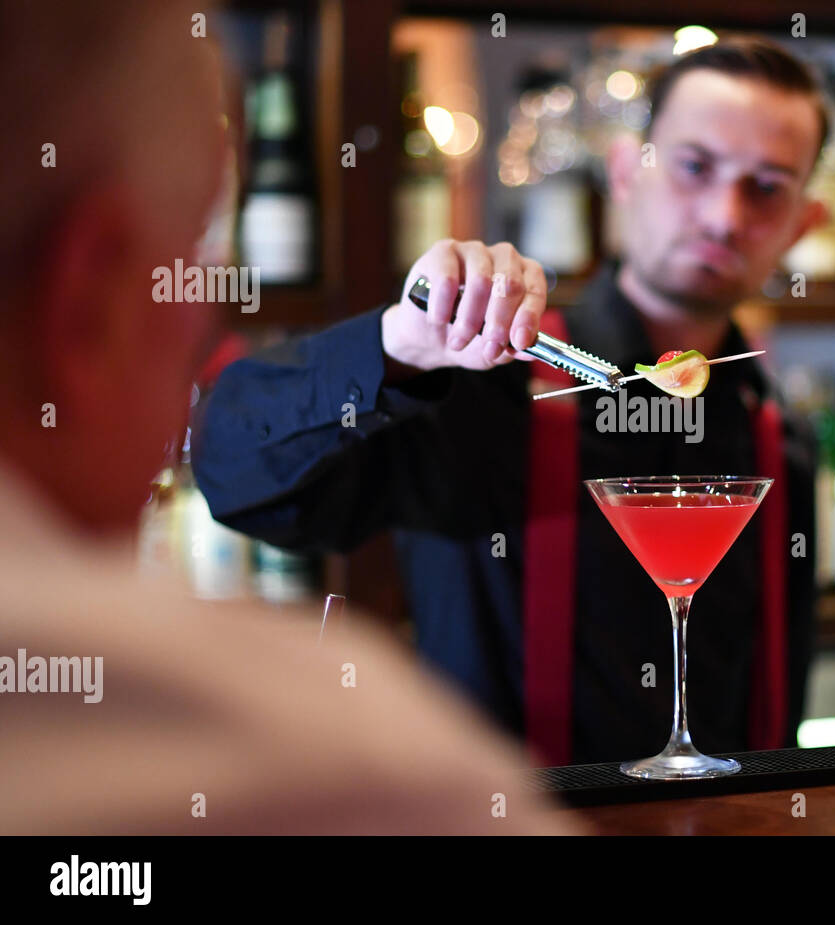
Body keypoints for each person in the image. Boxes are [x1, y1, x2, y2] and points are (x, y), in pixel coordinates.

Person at [0, 0, 572, 835]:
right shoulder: (338, 761)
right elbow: (235, 454)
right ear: (89, 295)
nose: (205, 314)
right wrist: (398, 345)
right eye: (195, 252)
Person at [195, 37, 827, 767]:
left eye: (768, 185)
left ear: (802, 225)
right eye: (694, 166)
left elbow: (779, 700)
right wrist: (400, 344)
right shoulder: (480, 393)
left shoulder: (783, 442)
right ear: (624, 172)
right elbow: (232, 466)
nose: (724, 213)